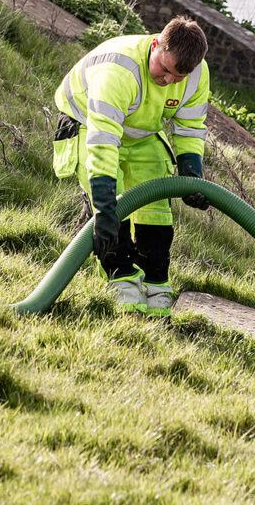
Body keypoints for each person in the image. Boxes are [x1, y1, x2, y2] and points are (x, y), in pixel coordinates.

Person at [51, 16, 211, 316]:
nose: (168, 81)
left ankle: (155, 284)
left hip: (141, 133)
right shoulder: (118, 70)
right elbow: (103, 140)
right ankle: (123, 283)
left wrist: (192, 174)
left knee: (156, 207)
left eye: (177, 77)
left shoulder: (196, 73)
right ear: (156, 45)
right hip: (89, 123)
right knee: (113, 208)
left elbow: (189, 127)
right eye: (164, 70)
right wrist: (104, 207)